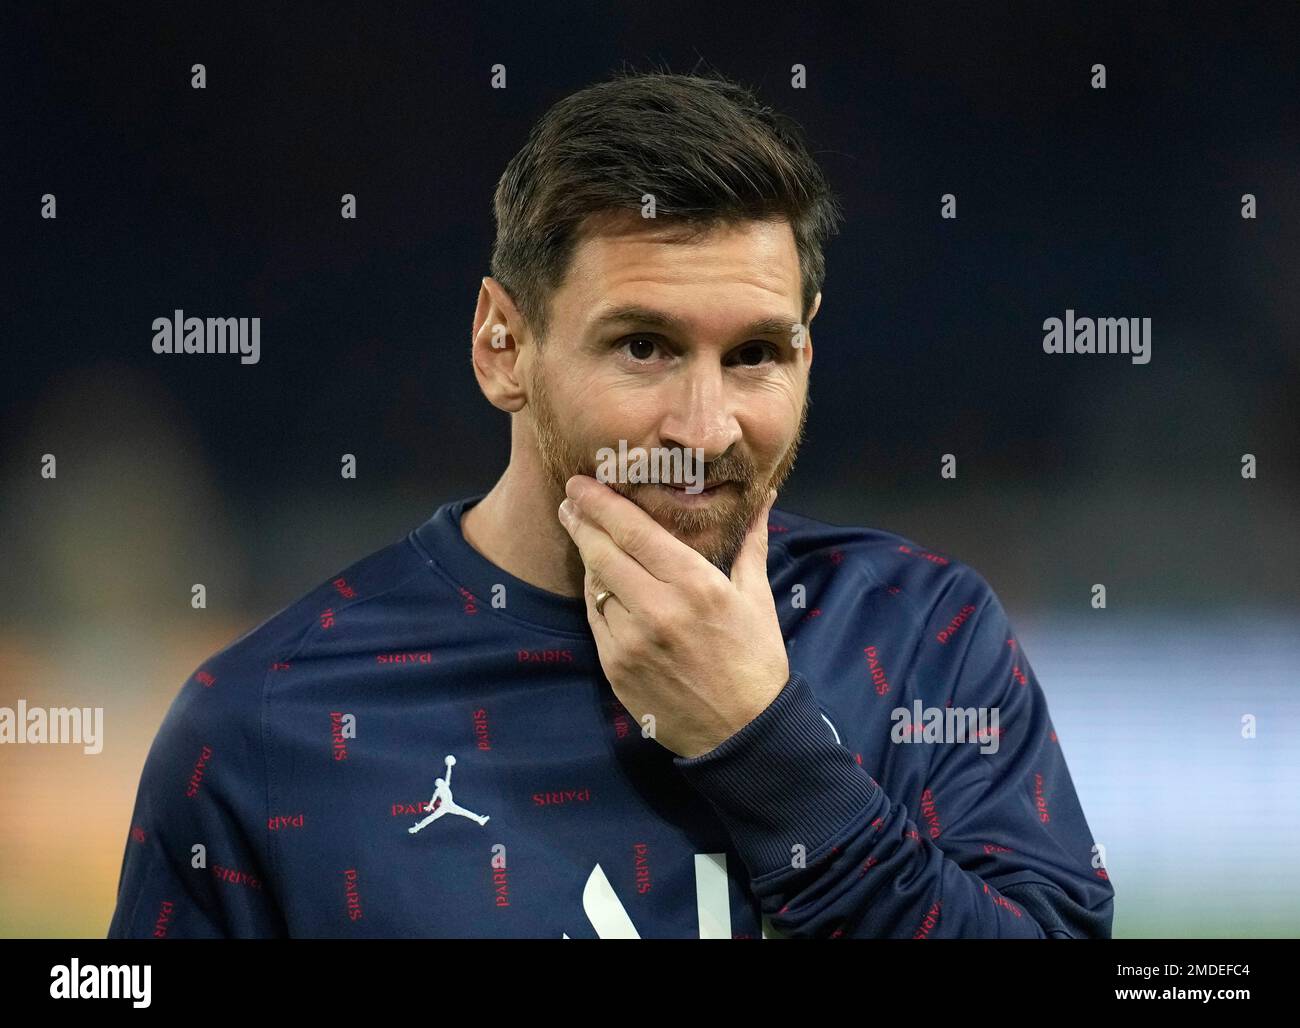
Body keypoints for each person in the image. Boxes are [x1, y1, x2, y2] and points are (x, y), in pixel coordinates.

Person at [108, 69, 1114, 938]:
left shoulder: (921, 639)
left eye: (755, 353)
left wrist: (767, 749)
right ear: (502, 344)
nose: (702, 426)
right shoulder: (268, 723)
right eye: (644, 346)